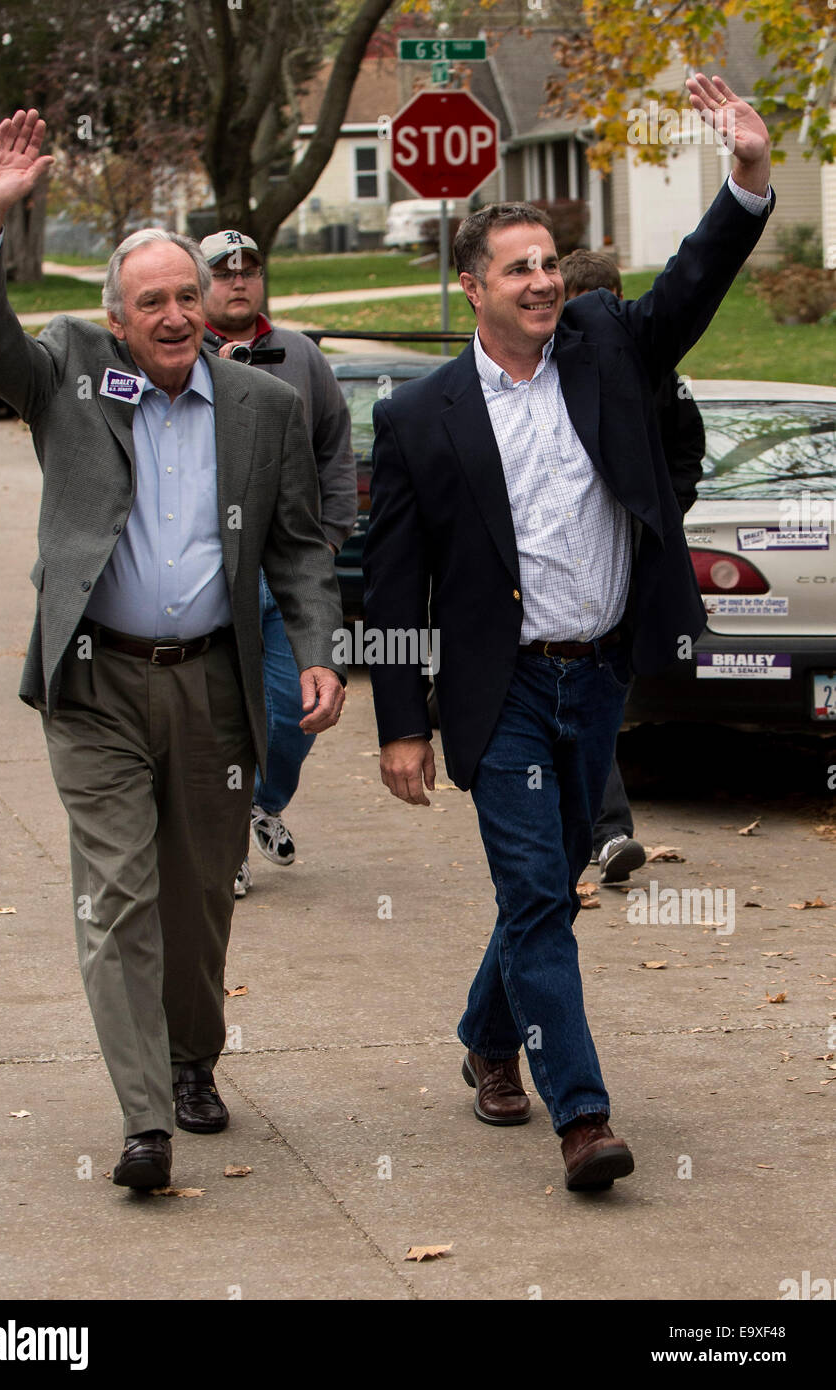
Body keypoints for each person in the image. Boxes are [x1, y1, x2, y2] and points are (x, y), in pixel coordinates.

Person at [363, 75, 772, 1191]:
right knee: (543, 893)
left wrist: (741, 178)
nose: (543, 282)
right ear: (470, 288)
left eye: (549, 264)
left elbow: (690, 286)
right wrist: (399, 723)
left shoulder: (604, 346)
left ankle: (488, 1035)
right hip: (496, 692)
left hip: (596, 679)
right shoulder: (416, 418)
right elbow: (393, 586)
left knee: (543, 886)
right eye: (518, 268)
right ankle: (581, 1116)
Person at [0, 109, 346, 1190]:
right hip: (95, 682)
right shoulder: (67, 376)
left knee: (198, 890)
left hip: (213, 685)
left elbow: (302, 544)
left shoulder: (261, 406)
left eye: (185, 297)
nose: (173, 316)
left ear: (208, 307)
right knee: (116, 892)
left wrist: (315, 645)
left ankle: (189, 1059)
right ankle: (143, 1121)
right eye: (150, 302)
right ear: (115, 319)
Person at [200, 230, 356, 898]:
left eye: (250, 271)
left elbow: (335, 449)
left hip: (288, 570)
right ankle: (226, 839)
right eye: (223, 272)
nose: (238, 282)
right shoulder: (180, 351)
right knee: (223, 718)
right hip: (211, 572)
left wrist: (327, 537)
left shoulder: (298, 355)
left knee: (299, 709)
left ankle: (264, 800)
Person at [559, 248, 707, 884]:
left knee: (603, 692)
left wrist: (661, 512)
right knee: (586, 693)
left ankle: (597, 823)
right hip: (567, 561)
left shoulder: (659, 372)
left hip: (637, 556)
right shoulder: (551, 371)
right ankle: (606, 827)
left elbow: (685, 448)